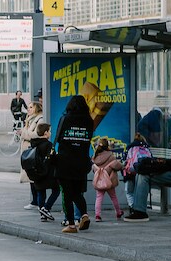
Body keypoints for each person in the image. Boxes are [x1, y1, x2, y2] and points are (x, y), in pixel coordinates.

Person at [53, 95, 94, 233]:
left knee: (67, 193)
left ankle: (71, 224)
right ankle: (84, 215)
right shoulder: (89, 120)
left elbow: (57, 139)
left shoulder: (65, 119)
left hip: (65, 161)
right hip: (82, 161)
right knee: (77, 192)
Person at [24, 123, 61, 221]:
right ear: (45, 133)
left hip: (37, 173)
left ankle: (42, 214)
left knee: (41, 192)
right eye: (49, 131)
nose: (50, 133)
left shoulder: (34, 143)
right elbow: (52, 158)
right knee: (56, 190)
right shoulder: (48, 145)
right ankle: (46, 208)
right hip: (48, 173)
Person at [18, 101, 45, 209]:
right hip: (28, 152)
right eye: (28, 107)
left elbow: (37, 134)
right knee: (30, 176)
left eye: (31, 107)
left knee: (34, 177)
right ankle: (34, 201)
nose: (28, 109)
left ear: (37, 108)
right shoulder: (29, 119)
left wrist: (23, 133)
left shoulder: (40, 119)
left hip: (34, 151)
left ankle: (38, 201)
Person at [91, 138, 124, 221]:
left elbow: (94, 170)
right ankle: (118, 212)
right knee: (113, 197)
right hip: (109, 181)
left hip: (99, 182)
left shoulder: (95, 157)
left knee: (99, 198)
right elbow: (118, 166)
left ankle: (97, 215)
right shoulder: (111, 156)